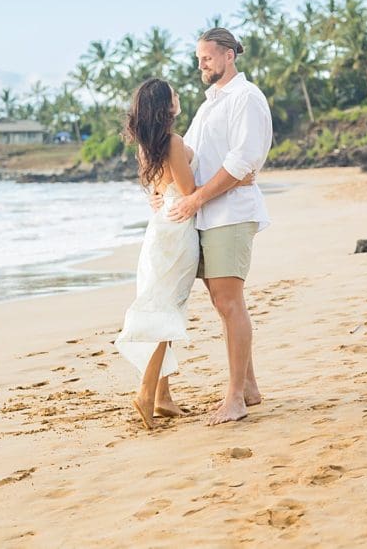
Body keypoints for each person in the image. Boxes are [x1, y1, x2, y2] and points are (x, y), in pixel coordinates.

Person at [166, 27, 273, 426]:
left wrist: (196, 198)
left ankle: (234, 399)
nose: (201, 65)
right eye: (199, 59)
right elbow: (191, 156)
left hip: (230, 213)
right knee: (222, 305)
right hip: (210, 214)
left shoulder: (245, 98)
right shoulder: (210, 103)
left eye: (207, 58)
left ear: (229, 55)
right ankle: (248, 386)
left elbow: (243, 160)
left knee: (230, 304)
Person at [114, 79, 201, 430]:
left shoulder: (146, 146)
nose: (178, 98)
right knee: (166, 312)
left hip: (160, 228)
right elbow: (188, 190)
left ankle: (163, 397)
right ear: (166, 106)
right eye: (174, 95)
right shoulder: (174, 143)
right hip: (177, 230)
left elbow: (157, 190)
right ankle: (147, 392)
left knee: (166, 308)